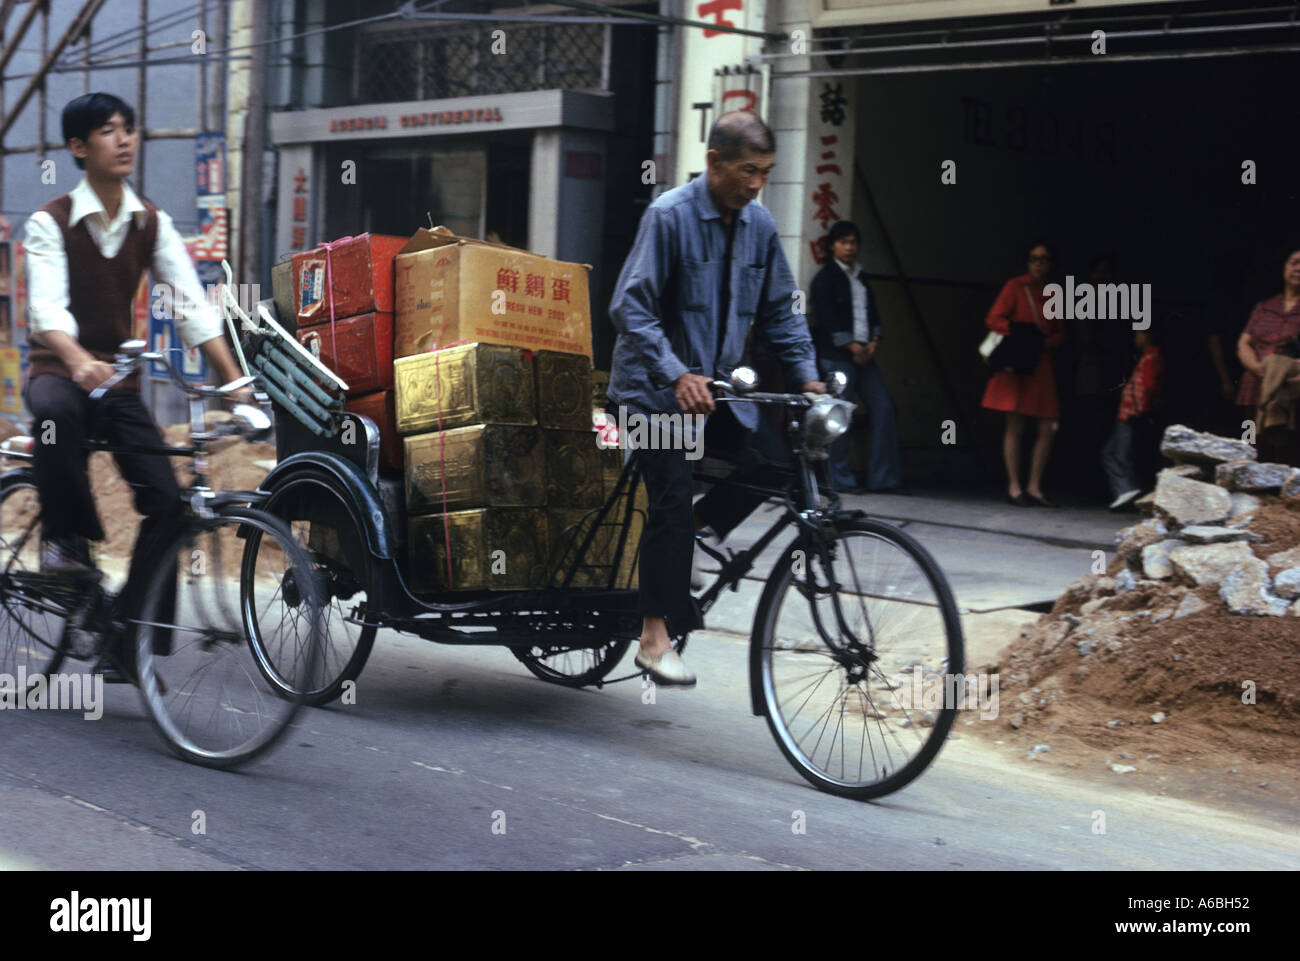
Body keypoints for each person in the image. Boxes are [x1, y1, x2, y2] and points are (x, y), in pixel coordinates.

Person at [23, 92, 250, 681]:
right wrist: (76, 361)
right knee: (55, 415)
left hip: (118, 383)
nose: (124, 140)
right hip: (60, 370)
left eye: (129, 129)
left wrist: (235, 384)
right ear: (78, 148)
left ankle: (127, 635)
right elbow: (46, 312)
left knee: (170, 504)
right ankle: (66, 542)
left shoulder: (150, 222)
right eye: (107, 131)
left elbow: (192, 309)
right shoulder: (50, 223)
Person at [607, 110, 824, 687]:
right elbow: (630, 306)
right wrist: (677, 373)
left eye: (766, 173)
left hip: (718, 392)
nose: (756, 184)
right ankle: (653, 639)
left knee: (777, 461)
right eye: (748, 170)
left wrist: (808, 377)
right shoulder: (669, 216)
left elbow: (782, 310)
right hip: (652, 393)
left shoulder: (759, 227)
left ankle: (696, 540)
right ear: (715, 163)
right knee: (671, 498)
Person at [809, 220, 901, 493]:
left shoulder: (861, 278)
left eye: (853, 243)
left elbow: (874, 314)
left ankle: (883, 478)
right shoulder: (825, 278)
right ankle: (839, 479)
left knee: (884, 409)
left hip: (865, 354)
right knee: (839, 416)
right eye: (843, 242)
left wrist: (873, 342)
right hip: (838, 357)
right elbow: (826, 319)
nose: (849, 248)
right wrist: (851, 347)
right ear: (833, 246)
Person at [981, 241, 1065, 507]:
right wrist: (1019, 334)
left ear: (1051, 264)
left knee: (1048, 425)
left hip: (1040, 363)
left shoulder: (1054, 293)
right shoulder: (1015, 287)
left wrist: (1051, 342)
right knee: (1014, 425)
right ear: (1027, 262)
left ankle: (1035, 485)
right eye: (1034, 259)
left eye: (1044, 259)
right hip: (1018, 362)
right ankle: (1015, 486)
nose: (1038, 264)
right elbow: (994, 318)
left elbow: (1061, 330)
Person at [1235, 248, 1300, 464]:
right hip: (1253, 388)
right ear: (1284, 268)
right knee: (1251, 443)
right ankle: (1250, 494)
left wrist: (1283, 374)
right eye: (1294, 262)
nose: (1298, 268)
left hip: (1291, 391)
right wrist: (1260, 368)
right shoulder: (1264, 307)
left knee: (1286, 452)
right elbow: (1244, 343)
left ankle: (1284, 498)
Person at [1102, 324, 1164, 510]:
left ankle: (1127, 490)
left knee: (1116, 454)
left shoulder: (1152, 357)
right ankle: (1128, 491)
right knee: (1117, 452)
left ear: (1146, 336)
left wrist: (1141, 409)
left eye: (1138, 334)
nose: (1135, 338)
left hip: (1132, 414)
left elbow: (1149, 386)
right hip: (1128, 413)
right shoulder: (1148, 357)